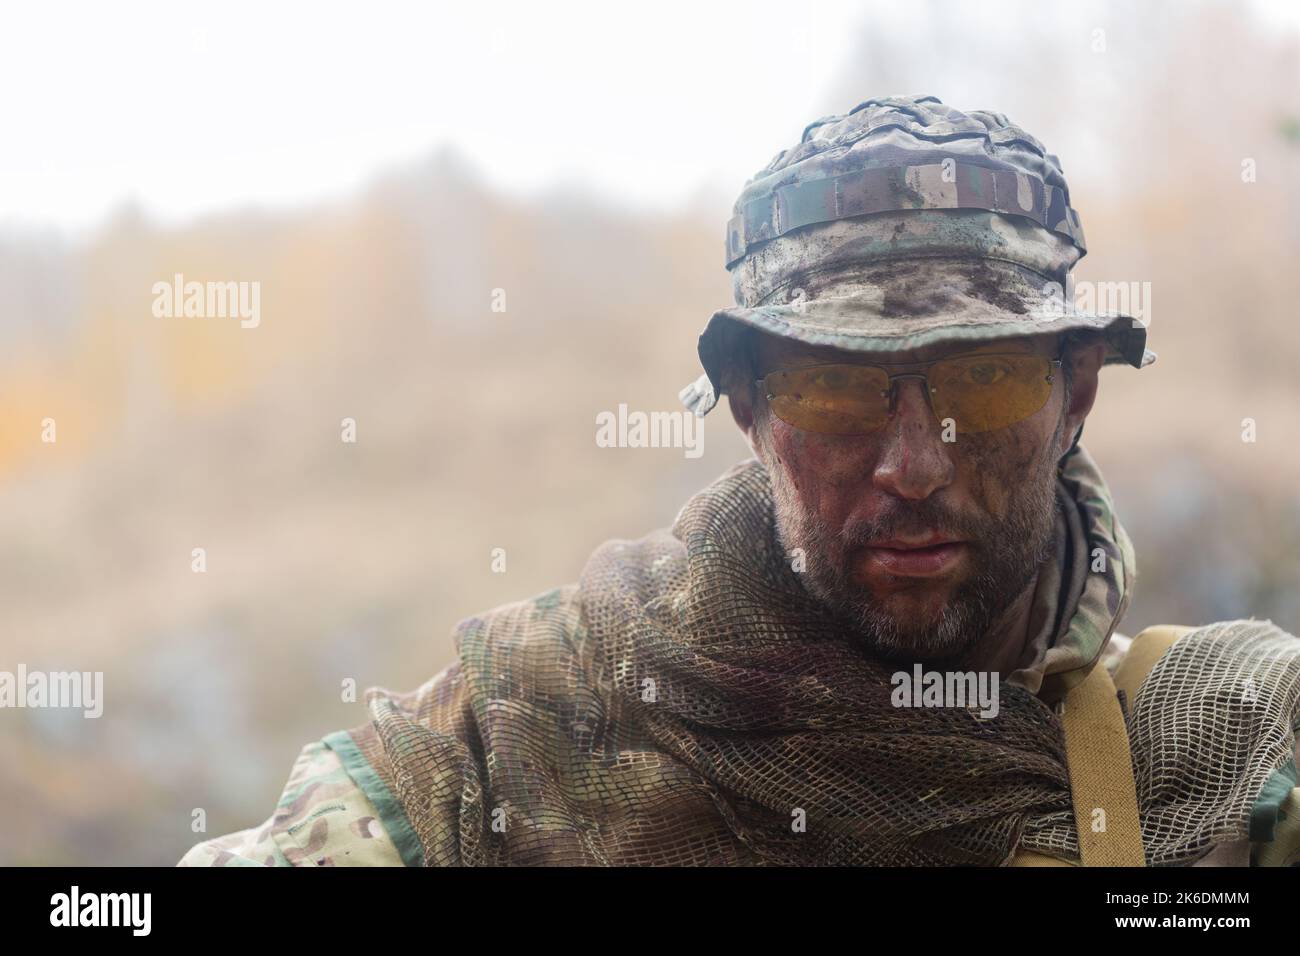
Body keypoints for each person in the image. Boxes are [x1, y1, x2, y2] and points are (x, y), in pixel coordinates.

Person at [181, 95, 1300, 867]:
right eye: (837, 390)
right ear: (750, 407)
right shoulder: (518, 740)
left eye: (985, 381)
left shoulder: (1230, 750)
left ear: (1077, 395)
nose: (912, 464)